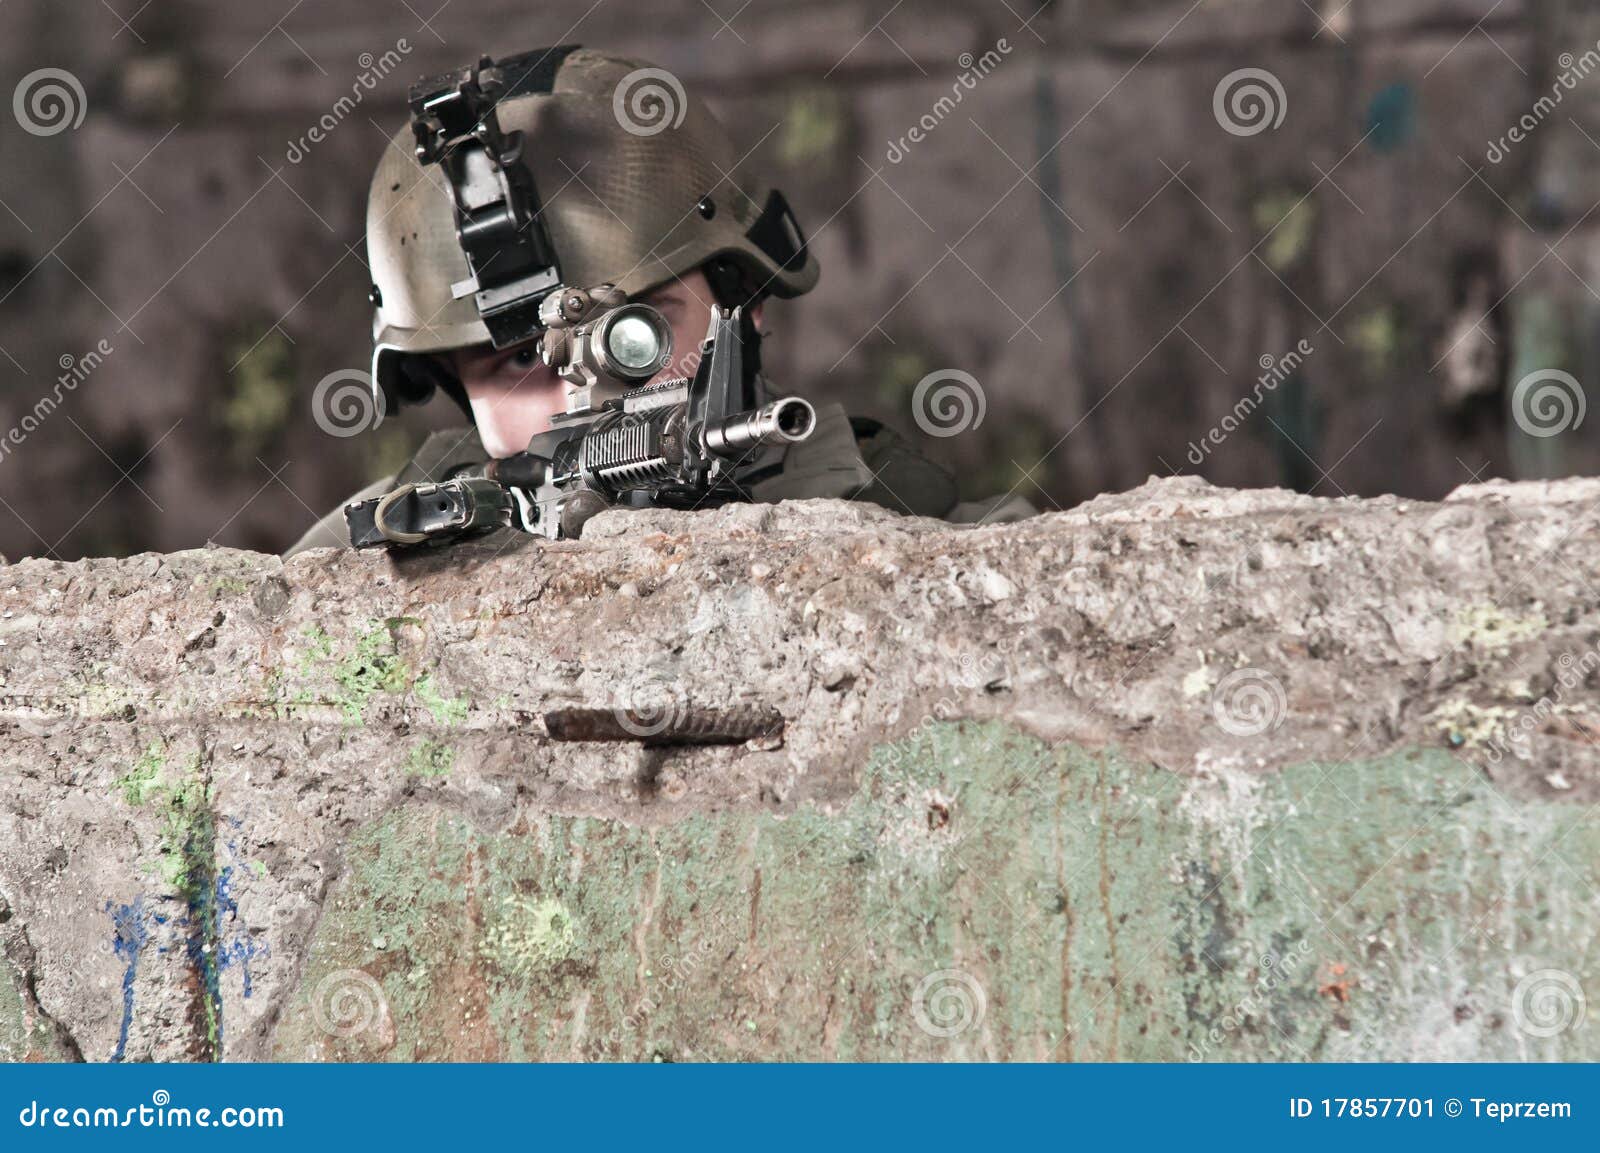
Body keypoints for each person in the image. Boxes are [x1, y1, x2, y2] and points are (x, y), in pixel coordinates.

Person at [286, 47, 1033, 557]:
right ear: (450, 381)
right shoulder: (379, 551)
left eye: (632, 335)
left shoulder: (924, 536)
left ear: (745, 302)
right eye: (520, 360)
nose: (588, 396)